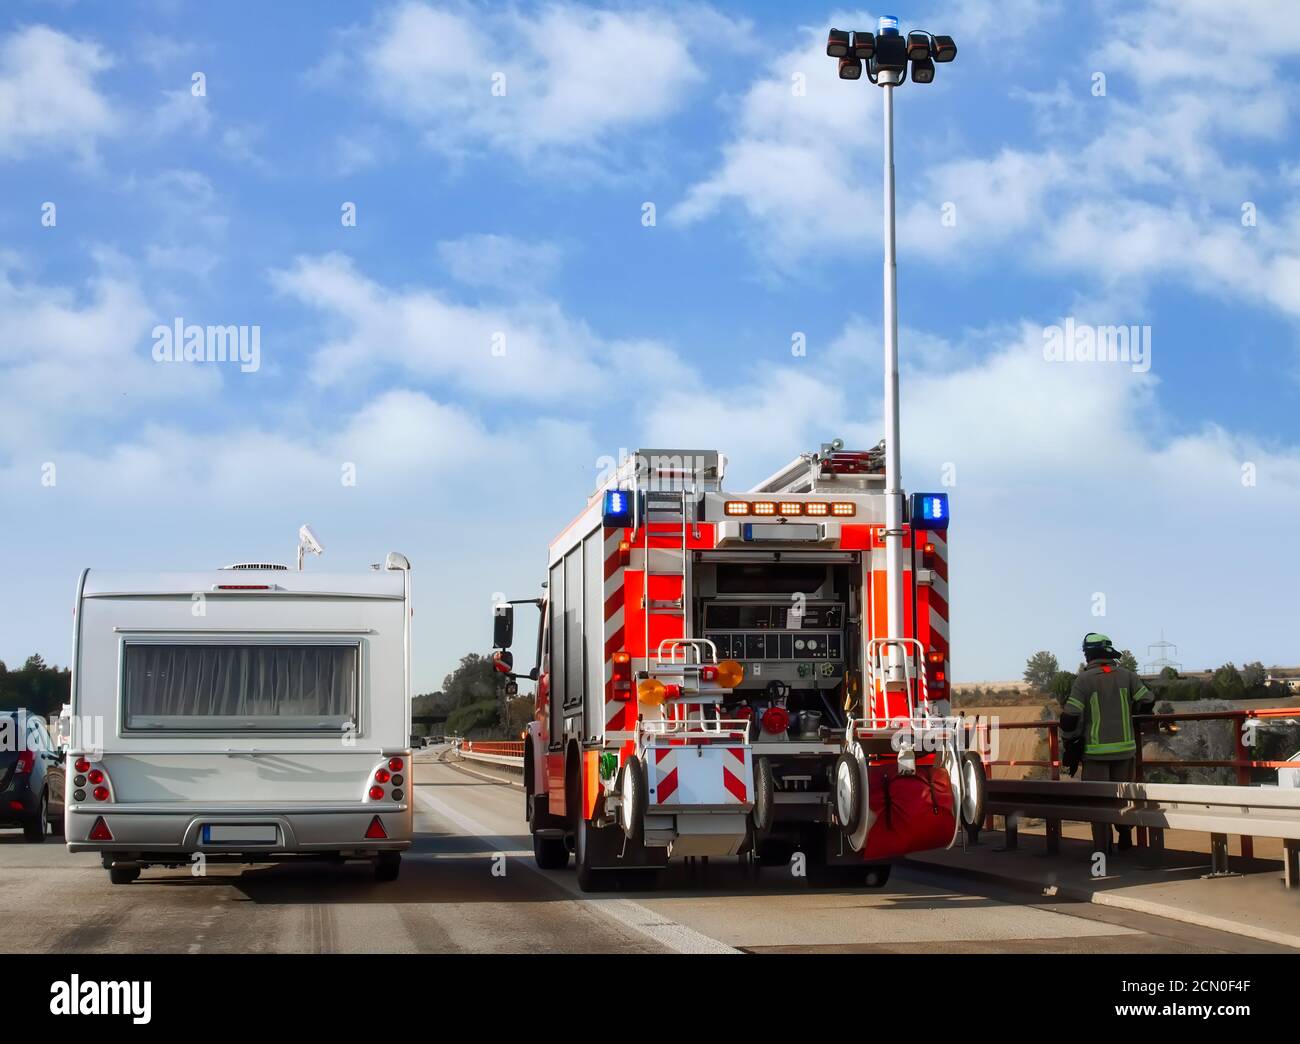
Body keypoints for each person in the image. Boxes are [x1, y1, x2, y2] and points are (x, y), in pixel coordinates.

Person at [1060, 633, 1154, 854]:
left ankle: (1103, 849)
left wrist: (1070, 743)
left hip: (1095, 755)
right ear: (1109, 652)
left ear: (1088, 654)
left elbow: (1070, 716)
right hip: (1125, 752)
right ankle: (1125, 834)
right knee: (1124, 800)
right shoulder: (1127, 676)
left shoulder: (1084, 681)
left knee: (1099, 805)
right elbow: (1147, 700)